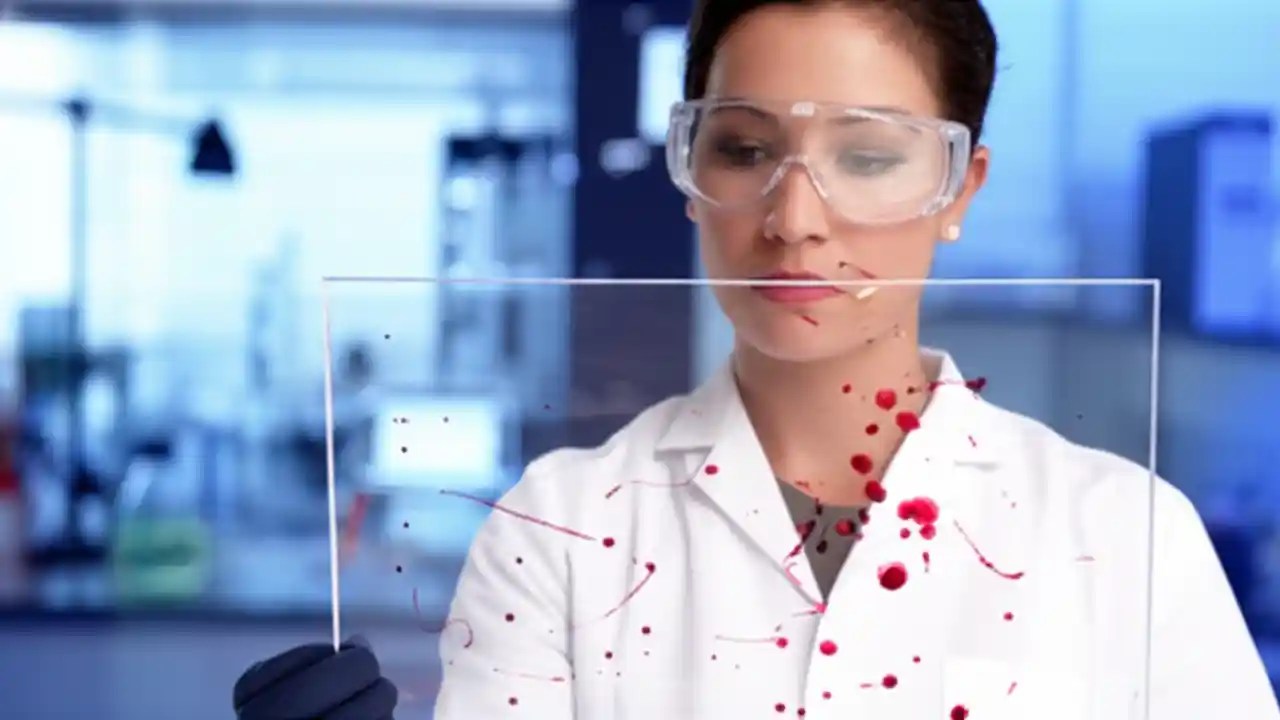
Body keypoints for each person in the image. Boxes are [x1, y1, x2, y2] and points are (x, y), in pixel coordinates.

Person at [233, 1, 1280, 718]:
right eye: (742, 148)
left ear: (958, 190)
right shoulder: (558, 533)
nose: (790, 218)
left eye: (864, 157)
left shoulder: (1121, 533)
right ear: (691, 174)